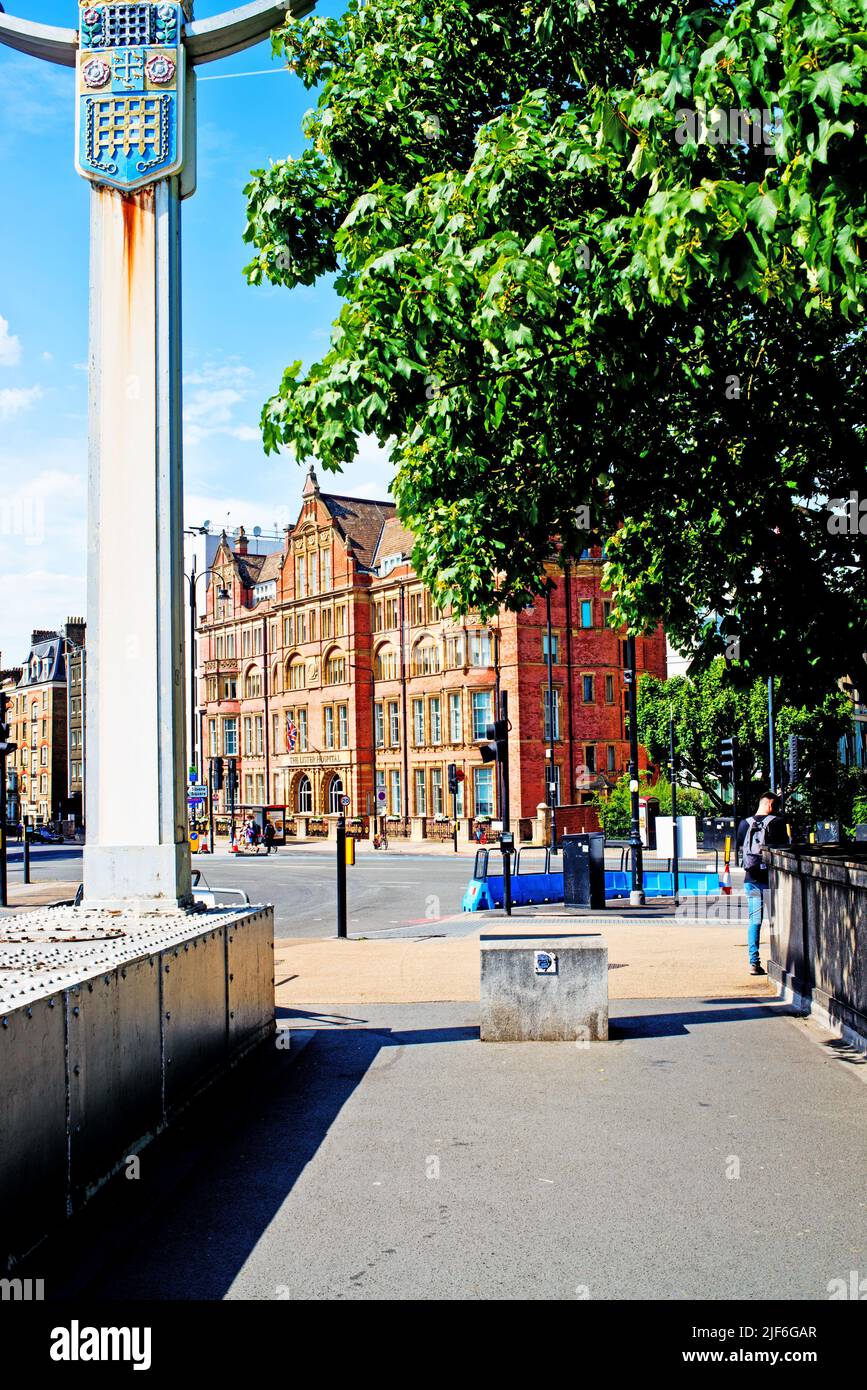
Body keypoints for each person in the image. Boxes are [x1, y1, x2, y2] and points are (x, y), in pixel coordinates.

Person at [736, 792, 790, 975]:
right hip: (773, 879)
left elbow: (739, 847)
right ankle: (780, 960)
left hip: (751, 879)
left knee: (755, 921)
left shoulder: (744, 823)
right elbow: (786, 849)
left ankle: (753, 962)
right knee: (778, 921)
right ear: (770, 805)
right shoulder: (778, 822)